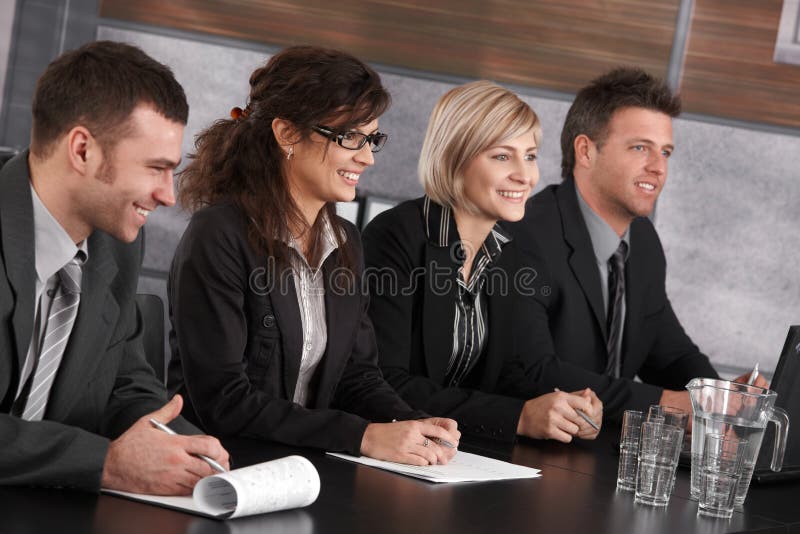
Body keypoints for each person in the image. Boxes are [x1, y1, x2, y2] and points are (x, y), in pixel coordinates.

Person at [168, 46, 460, 466]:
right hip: (224, 466)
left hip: (305, 463)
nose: (367, 156)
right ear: (287, 133)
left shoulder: (346, 241)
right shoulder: (218, 235)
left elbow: (355, 375)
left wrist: (413, 424)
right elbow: (224, 401)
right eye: (350, 138)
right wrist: (363, 436)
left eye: (372, 138)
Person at [0, 40, 229, 494]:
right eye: (155, 168)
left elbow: (122, 381)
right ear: (82, 150)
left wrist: (184, 448)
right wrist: (105, 463)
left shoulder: (117, 245)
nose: (168, 194)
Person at [505, 67, 767, 420]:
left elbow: (670, 355)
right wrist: (671, 404)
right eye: (640, 148)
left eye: (666, 152)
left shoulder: (642, 242)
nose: (658, 167)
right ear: (585, 151)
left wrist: (721, 397)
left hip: (604, 450)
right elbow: (534, 374)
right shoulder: (527, 235)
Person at [361, 80, 602, 445]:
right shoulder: (394, 237)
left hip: (457, 457)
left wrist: (565, 406)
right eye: (503, 156)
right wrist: (518, 417)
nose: (525, 175)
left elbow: (503, 375)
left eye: (531, 155)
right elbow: (383, 382)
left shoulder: (511, 251)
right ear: (455, 159)